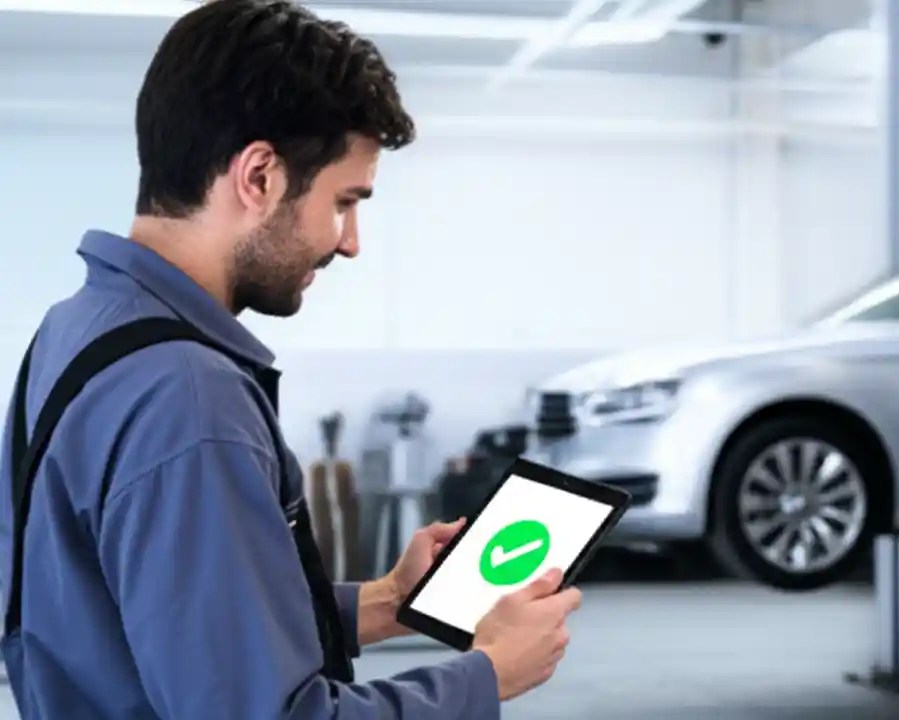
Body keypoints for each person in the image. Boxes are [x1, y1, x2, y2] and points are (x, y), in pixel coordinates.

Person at [0, 0, 582, 717]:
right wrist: (487, 675)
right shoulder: (187, 397)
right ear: (260, 177)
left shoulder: (76, 331)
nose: (350, 242)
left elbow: (148, 627)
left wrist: (386, 602)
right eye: (344, 201)